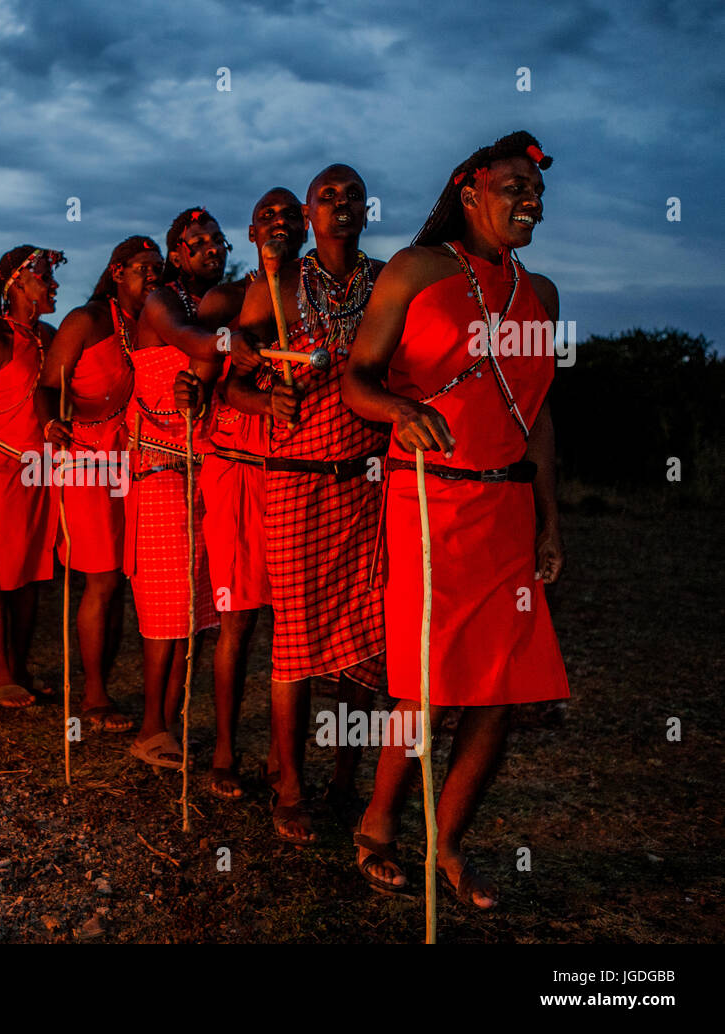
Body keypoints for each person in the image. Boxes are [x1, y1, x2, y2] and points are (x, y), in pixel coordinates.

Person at [342, 131, 568, 909]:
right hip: (431, 499)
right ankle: (378, 828)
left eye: (536, 190)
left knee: (499, 692)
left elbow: (537, 417)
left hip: (508, 508)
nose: (529, 199)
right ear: (470, 192)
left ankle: (449, 843)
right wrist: (399, 410)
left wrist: (549, 521)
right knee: (427, 689)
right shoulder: (416, 271)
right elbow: (356, 381)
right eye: (513, 186)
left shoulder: (543, 293)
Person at [225, 169, 389, 843]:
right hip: (293, 478)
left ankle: (347, 778)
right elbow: (231, 382)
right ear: (311, 215)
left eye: (353, 195)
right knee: (293, 640)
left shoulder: (388, 283)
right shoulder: (282, 288)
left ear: (366, 211)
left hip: (368, 483)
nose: (342, 205)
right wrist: (269, 399)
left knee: (367, 643)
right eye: (328, 197)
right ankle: (289, 784)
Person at [174, 190, 293, 798]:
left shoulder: (325, 297)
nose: (278, 225)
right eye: (267, 217)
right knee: (237, 617)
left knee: (291, 618)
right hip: (235, 466)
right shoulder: (228, 299)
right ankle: (223, 750)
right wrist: (202, 375)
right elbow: (198, 369)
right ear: (252, 234)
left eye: (288, 216)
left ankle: (282, 751)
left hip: (297, 470)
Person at [38, 237, 163, 733]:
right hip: (85, 457)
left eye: (158, 270)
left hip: (130, 459)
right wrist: (52, 425)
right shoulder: (86, 321)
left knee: (124, 576)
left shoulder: (149, 323)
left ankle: (104, 685)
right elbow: (49, 386)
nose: (153, 277)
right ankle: (93, 695)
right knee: (103, 577)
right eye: (143, 269)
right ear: (117, 271)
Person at [123, 207, 231, 769]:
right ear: (177, 254)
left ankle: (169, 720)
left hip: (205, 464)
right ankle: (149, 729)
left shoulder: (222, 302)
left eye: (218, 240)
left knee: (195, 605)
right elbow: (201, 344)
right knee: (166, 608)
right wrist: (243, 336)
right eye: (197, 241)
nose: (211, 247)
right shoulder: (162, 303)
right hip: (161, 466)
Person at [0, 246, 66, 707]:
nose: (53, 285)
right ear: (17, 285)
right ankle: (0, 674)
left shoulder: (48, 334)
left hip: (40, 470)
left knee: (31, 572)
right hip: (0, 469)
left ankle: (20, 667)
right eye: (44, 277)